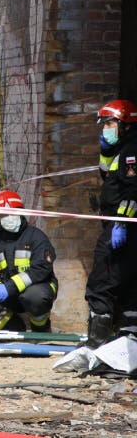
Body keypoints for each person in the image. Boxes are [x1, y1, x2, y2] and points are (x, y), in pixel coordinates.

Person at [0, 189, 58, 332]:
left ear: (20, 213)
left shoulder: (36, 237)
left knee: (35, 296)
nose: (9, 218)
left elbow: (41, 268)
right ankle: (12, 326)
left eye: (12, 213)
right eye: (3, 214)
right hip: (5, 295)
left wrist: (10, 287)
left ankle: (40, 328)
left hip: (33, 291)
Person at [84, 99, 137, 347]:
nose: (105, 128)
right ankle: (127, 337)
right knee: (127, 282)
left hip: (121, 225)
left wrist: (122, 222)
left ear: (126, 124)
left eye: (110, 123)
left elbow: (133, 190)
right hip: (117, 224)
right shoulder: (121, 148)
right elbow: (107, 174)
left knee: (101, 280)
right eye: (104, 124)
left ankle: (97, 342)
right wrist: (105, 151)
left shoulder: (132, 151)